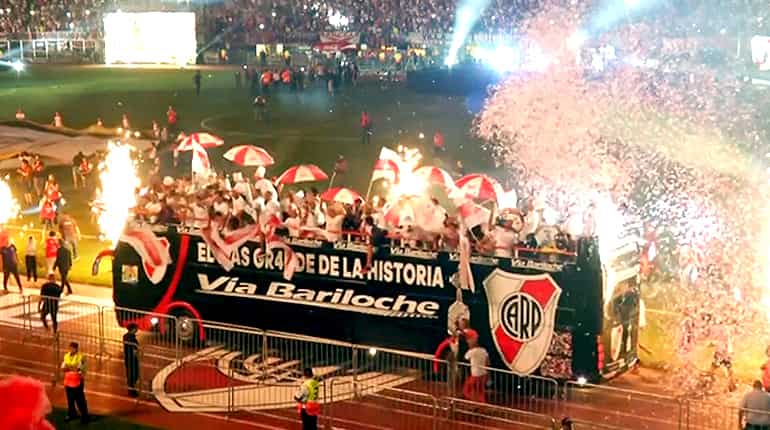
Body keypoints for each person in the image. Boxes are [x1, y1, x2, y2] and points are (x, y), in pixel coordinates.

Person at [61, 342, 89, 423]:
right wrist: (71, 367)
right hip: (68, 381)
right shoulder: (66, 356)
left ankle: (85, 416)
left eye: (73, 348)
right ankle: (72, 414)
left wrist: (69, 367)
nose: (71, 350)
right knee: (70, 400)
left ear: (76, 349)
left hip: (77, 382)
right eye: (70, 348)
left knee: (80, 400)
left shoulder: (81, 357)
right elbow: (63, 368)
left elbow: (78, 369)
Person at [462, 329, 488, 403]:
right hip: (483, 374)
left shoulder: (471, 352)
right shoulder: (483, 350)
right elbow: (488, 362)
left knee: (467, 389)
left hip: (476, 374)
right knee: (480, 390)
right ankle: (482, 402)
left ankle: (474, 402)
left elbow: (465, 357)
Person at [123, 323, 140, 397]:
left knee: (133, 374)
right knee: (133, 374)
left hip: (129, 358)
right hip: (131, 358)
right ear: (133, 329)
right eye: (136, 328)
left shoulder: (126, 336)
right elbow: (134, 348)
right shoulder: (131, 338)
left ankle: (131, 388)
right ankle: (131, 390)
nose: (137, 330)